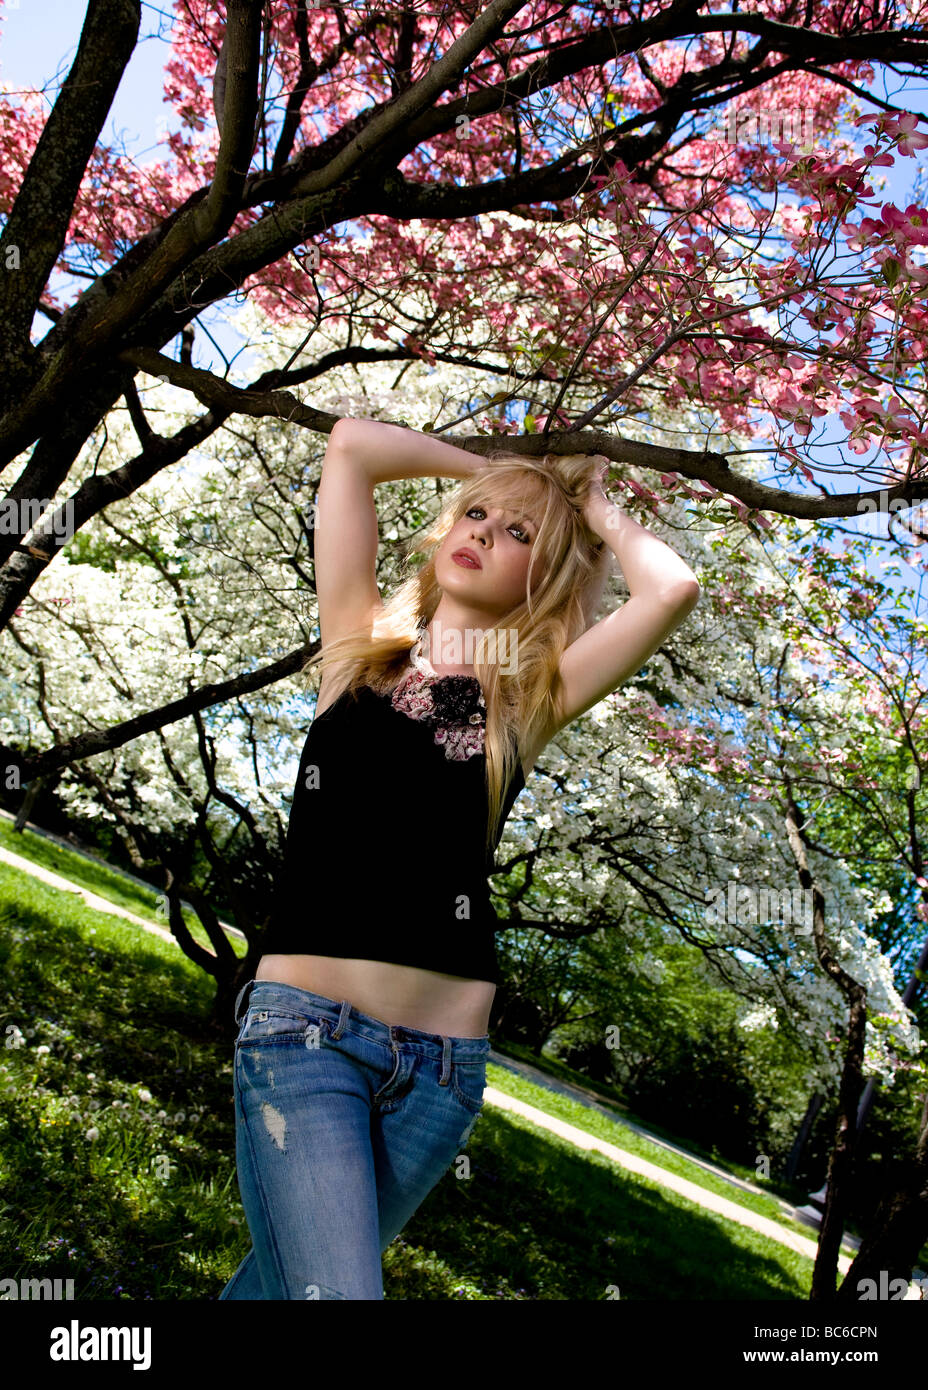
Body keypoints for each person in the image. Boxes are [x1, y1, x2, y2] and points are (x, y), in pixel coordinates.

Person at [219, 416, 700, 1300]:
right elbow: (354, 447)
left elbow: (670, 588)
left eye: (518, 534)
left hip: (440, 1073)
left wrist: (592, 508)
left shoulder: (530, 698)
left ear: (544, 576)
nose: (483, 533)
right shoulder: (354, 650)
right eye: (475, 516)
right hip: (303, 1041)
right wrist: (510, 472)